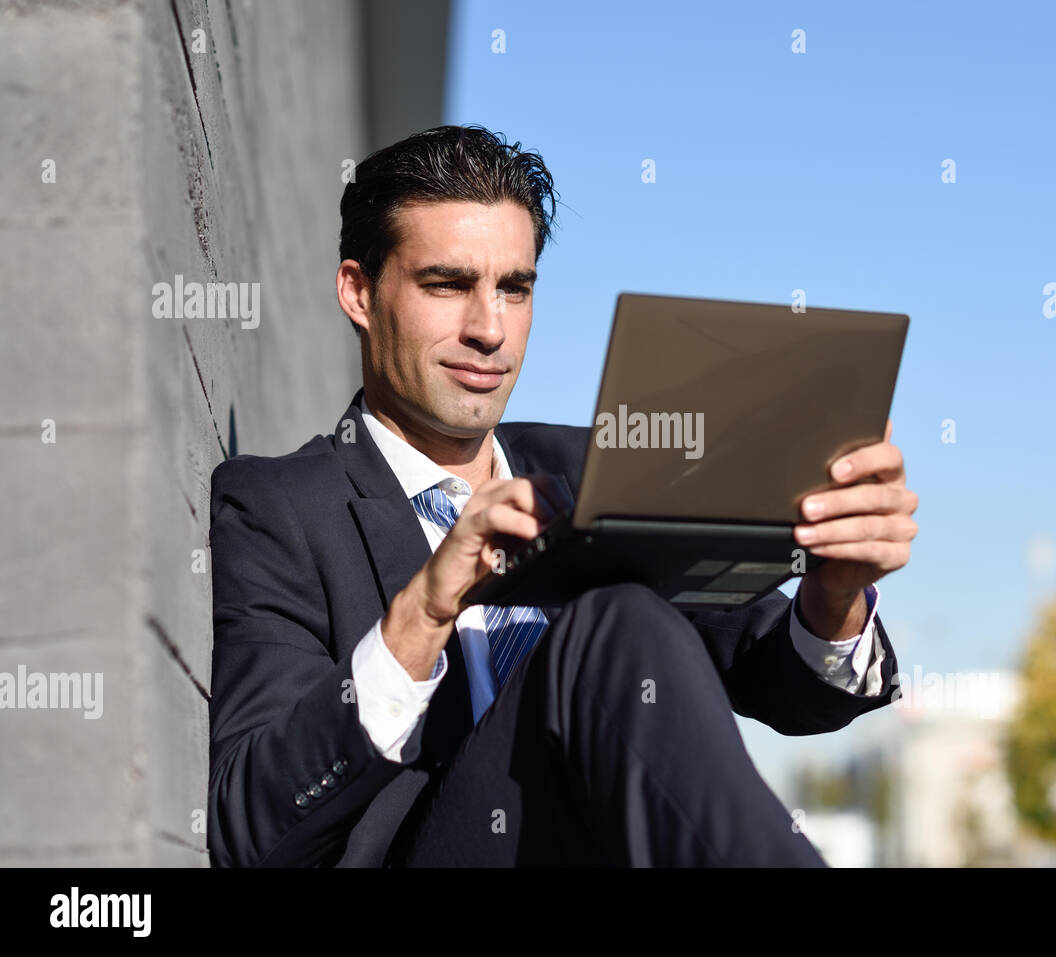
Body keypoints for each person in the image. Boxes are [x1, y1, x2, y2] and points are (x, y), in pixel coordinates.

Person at [206, 125, 919, 867]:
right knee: (613, 619)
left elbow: (781, 682)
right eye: (447, 284)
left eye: (514, 288)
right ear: (358, 291)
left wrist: (835, 593)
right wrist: (423, 611)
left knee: (623, 621)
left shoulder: (592, 465)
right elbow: (251, 828)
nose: (490, 329)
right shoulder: (279, 507)